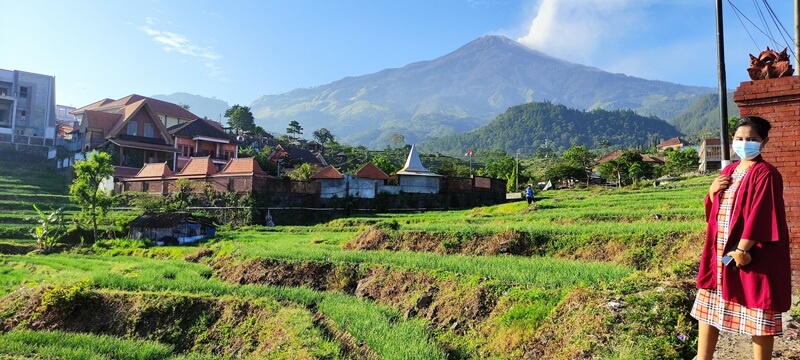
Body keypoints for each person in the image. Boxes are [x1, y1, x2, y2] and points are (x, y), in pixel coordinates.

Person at [691, 116, 792, 360]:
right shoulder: (729, 170)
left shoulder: (765, 173)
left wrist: (743, 250)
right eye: (739, 138)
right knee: (709, 306)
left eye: (751, 139)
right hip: (719, 251)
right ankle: (703, 357)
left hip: (749, 252)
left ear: (764, 141)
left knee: (758, 310)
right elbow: (717, 211)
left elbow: (762, 212)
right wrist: (712, 191)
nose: (743, 143)